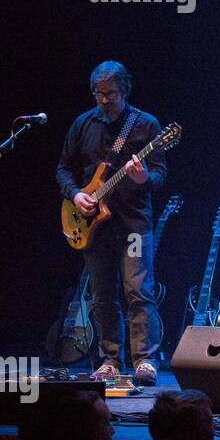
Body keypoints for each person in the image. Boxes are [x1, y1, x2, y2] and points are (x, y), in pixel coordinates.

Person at [56, 61, 168, 384]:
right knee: (103, 295)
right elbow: (63, 168)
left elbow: (160, 173)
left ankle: (145, 360)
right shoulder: (83, 124)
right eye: (99, 94)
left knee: (139, 292)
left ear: (125, 90)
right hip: (94, 225)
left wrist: (144, 178)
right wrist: (76, 194)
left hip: (133, 224)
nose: (105, 100)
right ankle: (110, 360)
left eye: (111, 94)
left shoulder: (145, 124)